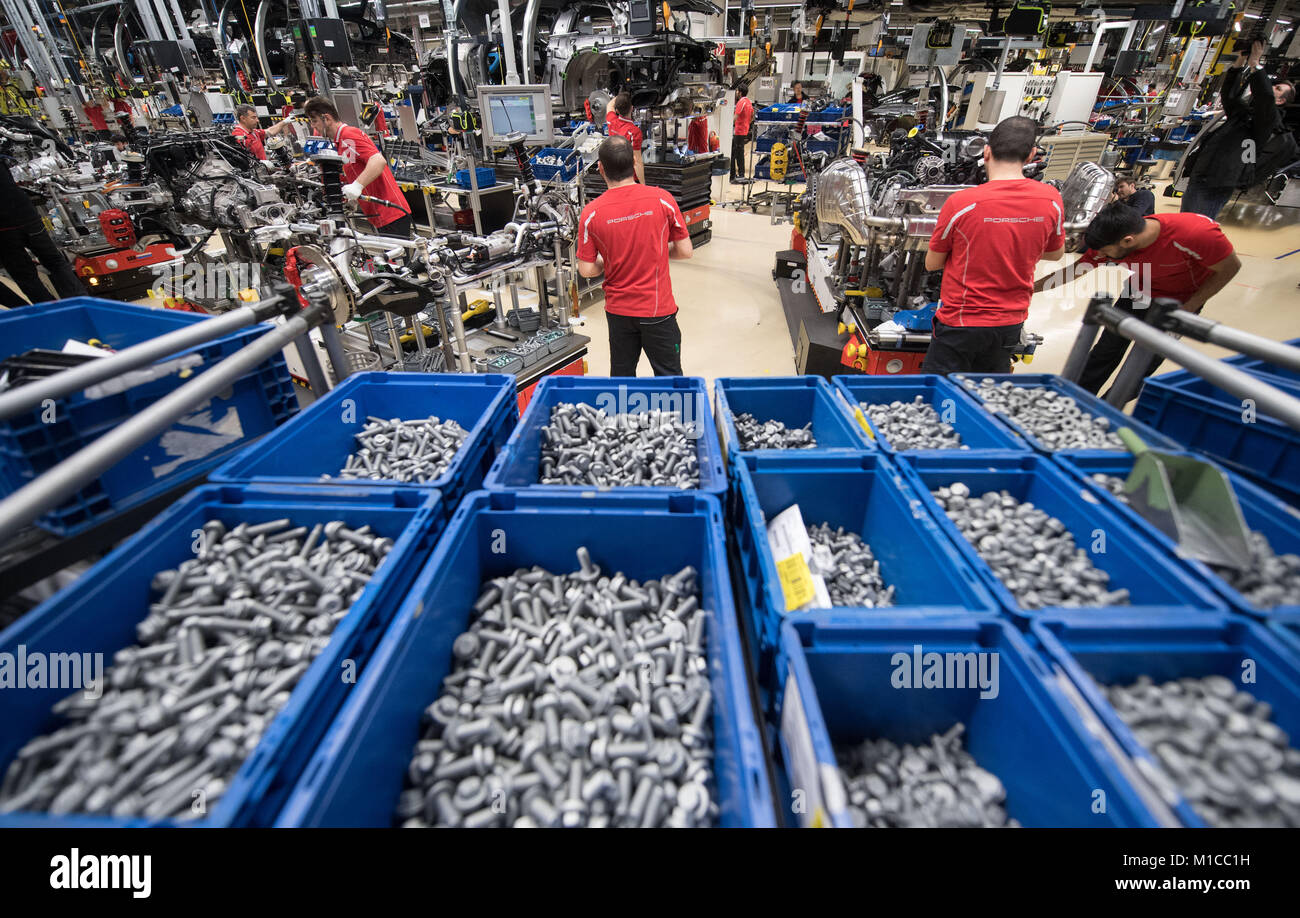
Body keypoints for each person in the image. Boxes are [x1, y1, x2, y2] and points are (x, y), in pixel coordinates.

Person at [1034, 203, 1241, 396]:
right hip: (1137, 292)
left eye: (1106, 252)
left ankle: (1109, 406)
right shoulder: (1112, 239)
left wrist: (1189, 308)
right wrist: (1030, 289)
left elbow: (1230, 267)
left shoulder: (1194, 234)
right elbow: (1075, 270)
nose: (1102, 256)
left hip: (1178, 303)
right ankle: (1076, 398)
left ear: (1128, 241)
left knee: (1143, 363)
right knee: (1106, 350)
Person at [921, 116, 1065, 374]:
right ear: (1031, 155)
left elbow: (932, 263)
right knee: (987, 389)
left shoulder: (962, 203)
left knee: (938, 391)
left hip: (961, 321)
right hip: (1010, 322)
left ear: (986, 152)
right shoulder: (1051, 200)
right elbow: (1055, 253)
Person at [575, 136, 693, 376]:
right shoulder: (663, 199)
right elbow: (685, 251)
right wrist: (657, 252)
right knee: (669, 379)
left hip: (619, 311)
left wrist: (608, 261)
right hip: (657, 310)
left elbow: (586, 270)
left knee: (623, 378)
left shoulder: (591, 213)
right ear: (635, 162)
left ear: (601, 168)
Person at [1180, 39, 1294, 219]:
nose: (1273, 87)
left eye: (1278, 89)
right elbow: (1229, 95)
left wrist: (1255, 64)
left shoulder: (1268, 121)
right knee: (1185, 221)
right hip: (1202, 173)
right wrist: (1240, 61)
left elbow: (1265, 97)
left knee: (1198, 225)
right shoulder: (1244, 114)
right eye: (1273, 85)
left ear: (1280, 101)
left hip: (1219, 181)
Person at [303, 96, 411, 237]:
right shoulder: (340, 140)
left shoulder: (348, 135)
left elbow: (378, 161)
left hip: (390, 212)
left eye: (314, 121)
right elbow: (357, 168)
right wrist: (353, 200)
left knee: (397, 252)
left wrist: (357, 186)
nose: (312, 126)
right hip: (379, 214)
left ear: (327, 118)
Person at [0, 160, 84, 306]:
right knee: (55, 262)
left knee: (25, 275)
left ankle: (49, 311)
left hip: (4, 229)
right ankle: (80, 303)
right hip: (26, 214)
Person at [230, 103, 296, 161]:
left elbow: (270, 131)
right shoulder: (239, 137)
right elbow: (242, 160)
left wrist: (285, 121)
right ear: (243, 118)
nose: (257, 120)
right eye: (253, 118)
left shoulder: (254, 132)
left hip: (263, 169)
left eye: (256, 117)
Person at [605, 93, 645, 184]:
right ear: (632, 108)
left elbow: (609, 105)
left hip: (616, 177)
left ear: (617, 110)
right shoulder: (634, 132)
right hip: (631, 179)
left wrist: (620, 96)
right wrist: (643, 184)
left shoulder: (611, 121)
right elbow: (637, 161)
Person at [731, 83, 754, 181]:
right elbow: (752, 116)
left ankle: (735, 175)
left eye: (737, 91)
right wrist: (747, 123)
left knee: (735, 153)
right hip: (745, 130)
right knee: (739, 152)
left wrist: (729, 125)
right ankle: (740, 174)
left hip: (738, 131)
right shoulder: (748, 102)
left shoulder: (741, 102)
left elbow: (736, 116)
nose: (736, 92)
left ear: (740, 93)